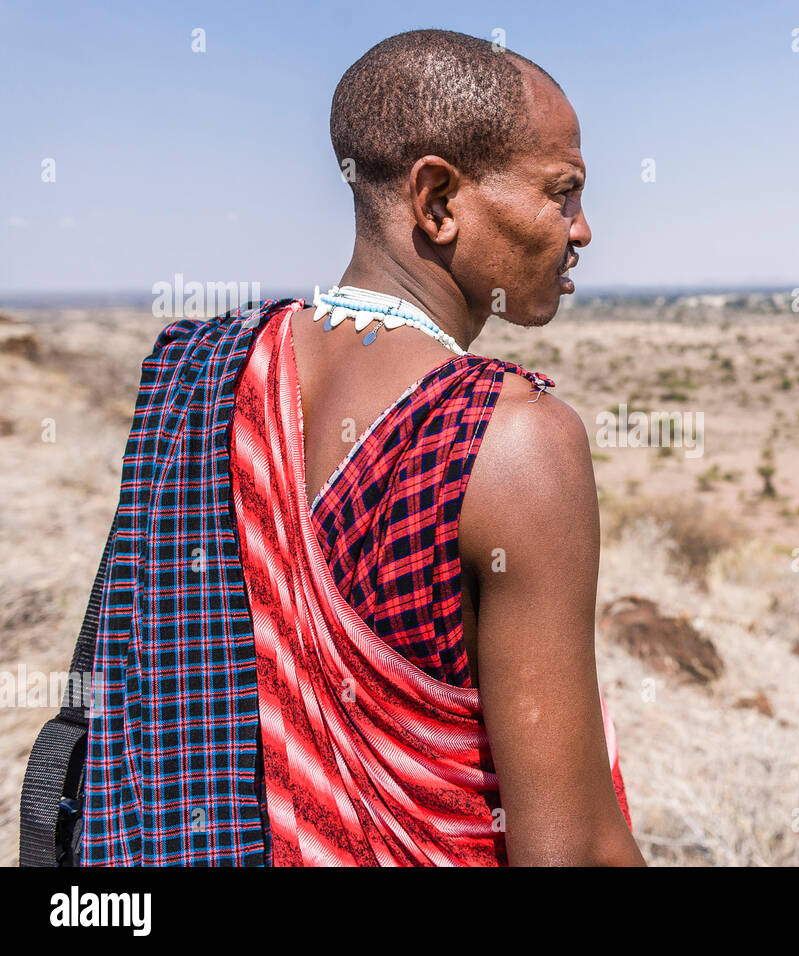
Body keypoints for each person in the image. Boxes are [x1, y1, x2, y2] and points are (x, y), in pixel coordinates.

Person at [81, 28, 644, 867]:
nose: (583, 229)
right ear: (438, 201)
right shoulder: (514, 440)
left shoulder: (201, 370)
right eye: (563, 193)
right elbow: (571, 848)